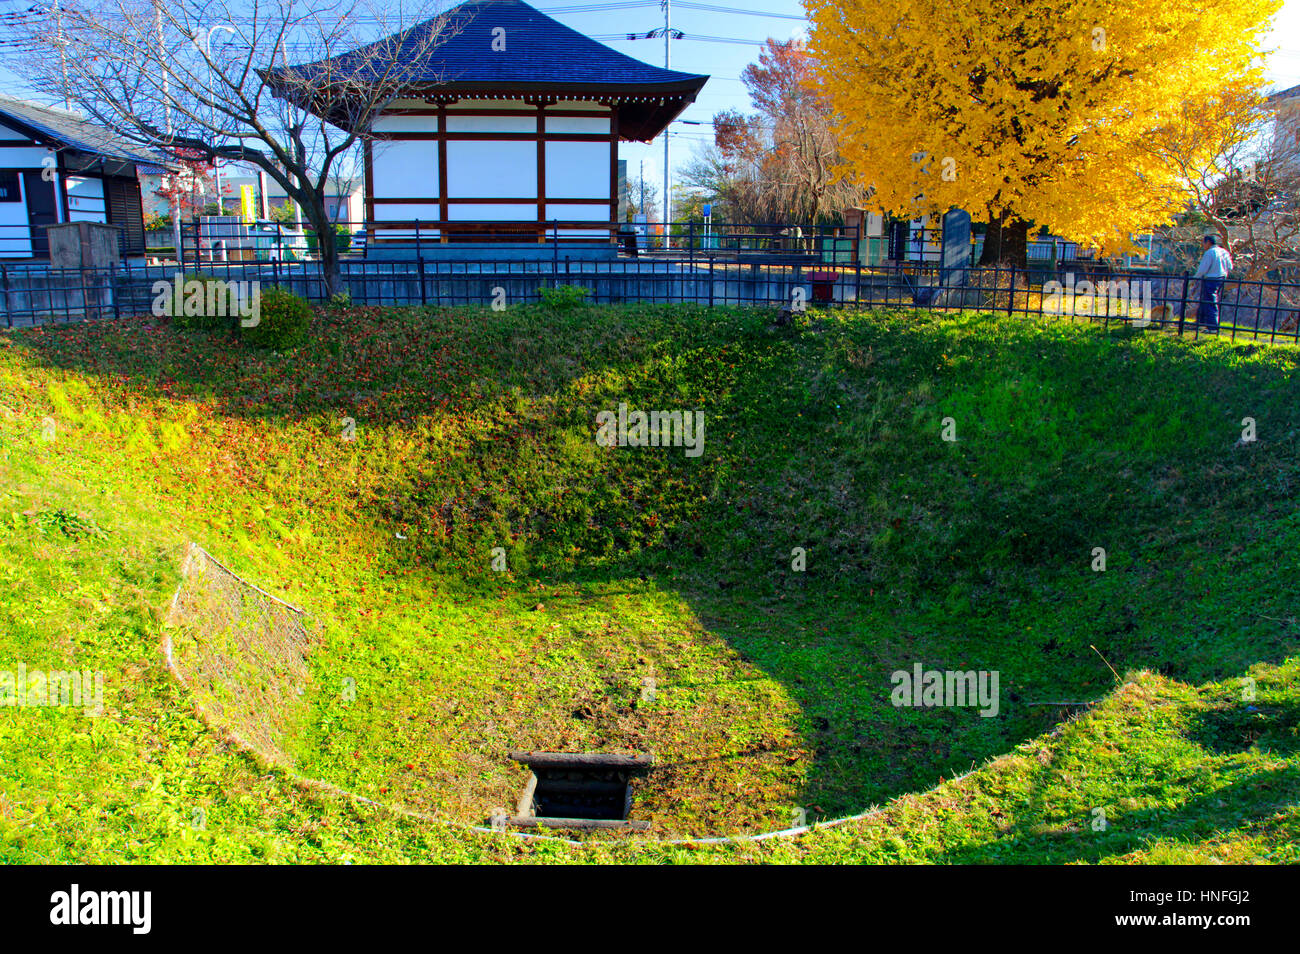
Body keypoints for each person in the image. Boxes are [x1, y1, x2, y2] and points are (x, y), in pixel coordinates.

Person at [1192, 234, 1233, 332]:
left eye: (1204, 243)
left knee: (1210, 302)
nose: (1203, 245)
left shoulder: (1210, 253)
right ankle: (1201, 322)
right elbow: (1230, 266)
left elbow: (1203, 269)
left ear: (1208, 242)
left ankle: (1212, 327)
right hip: (1221, 278)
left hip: (1211, 279)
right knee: (1207, 300)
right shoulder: (1224, 252)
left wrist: (1194, 279)